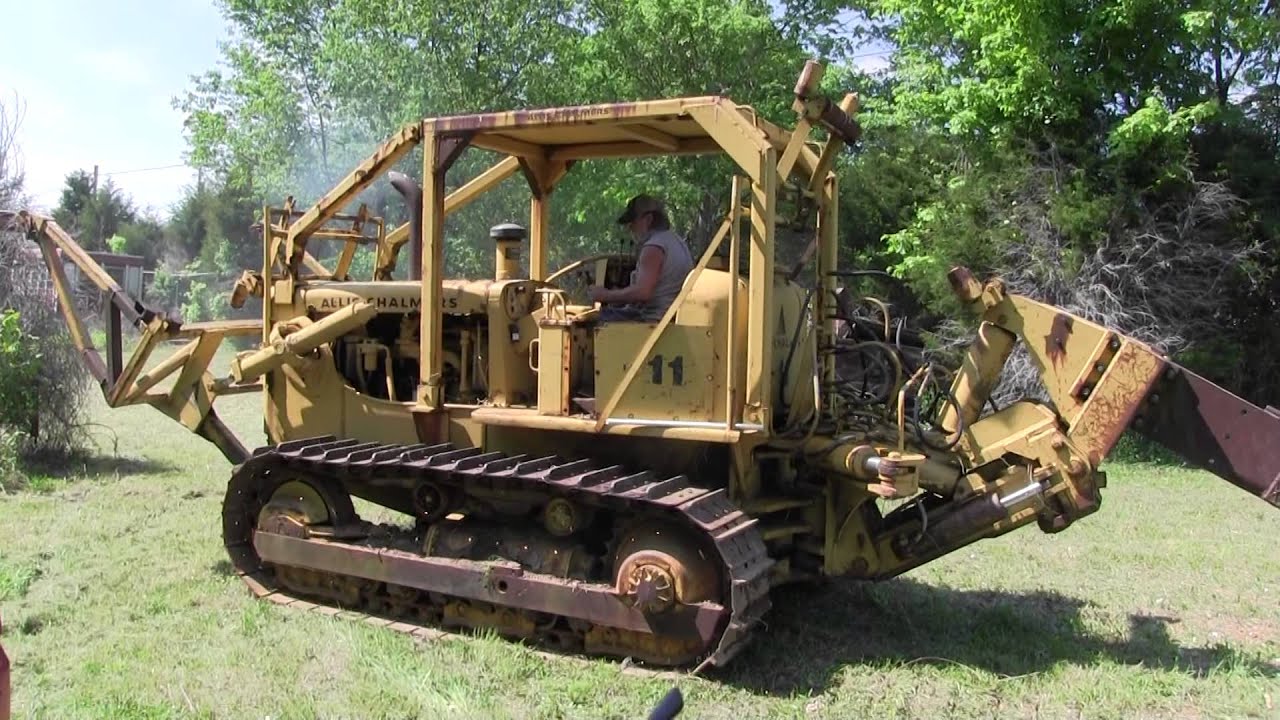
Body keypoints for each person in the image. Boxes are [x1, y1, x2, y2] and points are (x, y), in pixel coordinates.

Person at [588, 194, 694, 322]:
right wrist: (619, 295)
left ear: (648, 219)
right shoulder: (676, 241)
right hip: (671, 317)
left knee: (588, 321)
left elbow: (642, 292)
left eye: (633, 222)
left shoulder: (654, 247)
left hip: (653, 319)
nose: (629, 228)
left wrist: (605, 295)